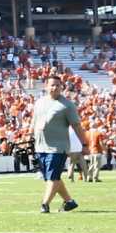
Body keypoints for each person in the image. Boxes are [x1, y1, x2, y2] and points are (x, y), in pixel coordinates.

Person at [30, 78, 82, 215]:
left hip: (58, 147)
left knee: (53, 177)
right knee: (52, 177)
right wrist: (29, 134)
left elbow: (76, 125)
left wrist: (84, 143)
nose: (55, 87)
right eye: (52, 85)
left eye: (58, 85)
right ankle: (69, 201)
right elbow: (34, 121)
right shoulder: (39, 102)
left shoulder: (67, 105)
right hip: (41, 146)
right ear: (46, 86)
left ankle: (45, 204)